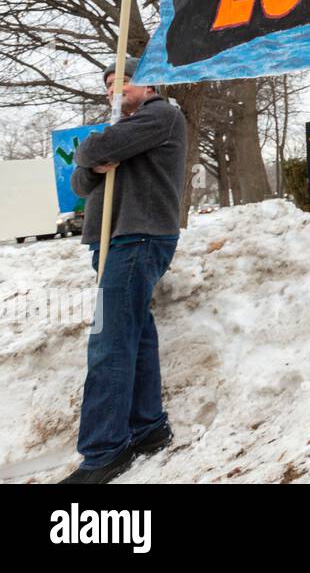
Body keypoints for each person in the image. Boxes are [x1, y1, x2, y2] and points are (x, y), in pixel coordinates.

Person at [60, 55, 188, 484]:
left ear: (149, 85)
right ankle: (148, 427)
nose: (115, 91)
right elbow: (79, 184)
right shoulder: (121, 131)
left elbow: (90, 150)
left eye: (124, 82)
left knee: (109, 343)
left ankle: (104, 452)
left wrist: (94, 153)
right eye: (110, 84)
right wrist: (94, 163)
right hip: (111, 239)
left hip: (139, 236)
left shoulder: (163, 116)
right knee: (134, 335)